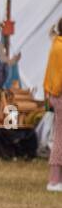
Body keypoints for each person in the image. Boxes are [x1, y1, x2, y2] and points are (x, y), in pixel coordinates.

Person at [43, 17, 62, 192]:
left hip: (56, 95)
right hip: (60, 95)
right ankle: (55, 180)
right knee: (59, 138)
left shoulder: (56, 44)